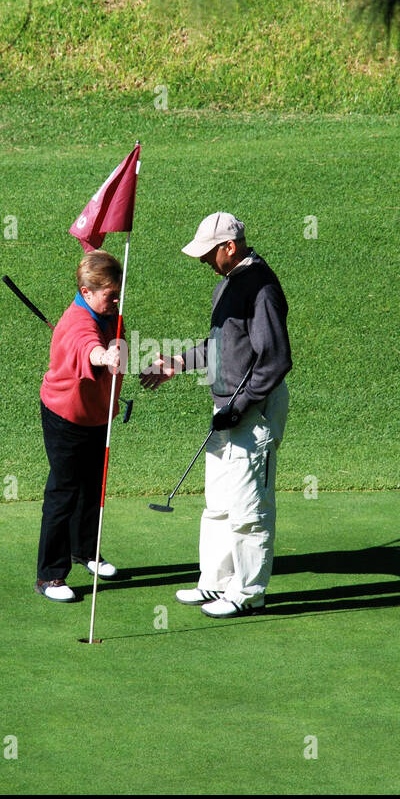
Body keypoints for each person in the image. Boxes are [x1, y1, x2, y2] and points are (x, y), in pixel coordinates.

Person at [140, 212, 291, 617]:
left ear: (230, 246)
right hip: (226, 406)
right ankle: (215, 583)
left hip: (252, 409)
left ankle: (248, 592)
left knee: (248, 507)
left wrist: (239, 408)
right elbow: (222, 347)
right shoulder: (227, 284)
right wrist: (178, 362)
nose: (204, 260)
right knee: (219, 502)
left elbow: (275, 360)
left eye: (210, 253)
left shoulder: (260, 289)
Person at [34, 250, 125, 602]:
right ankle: (50, 576)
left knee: (92, 486)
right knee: (63, 493)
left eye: (119, 293)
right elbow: (88, 348)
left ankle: (86, 551)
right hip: (66, 418)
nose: (116, 301)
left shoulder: (110, 313)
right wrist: (105, 356)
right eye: (109, 295)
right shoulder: (77, 323)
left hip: (97, 414)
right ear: (86, 293)